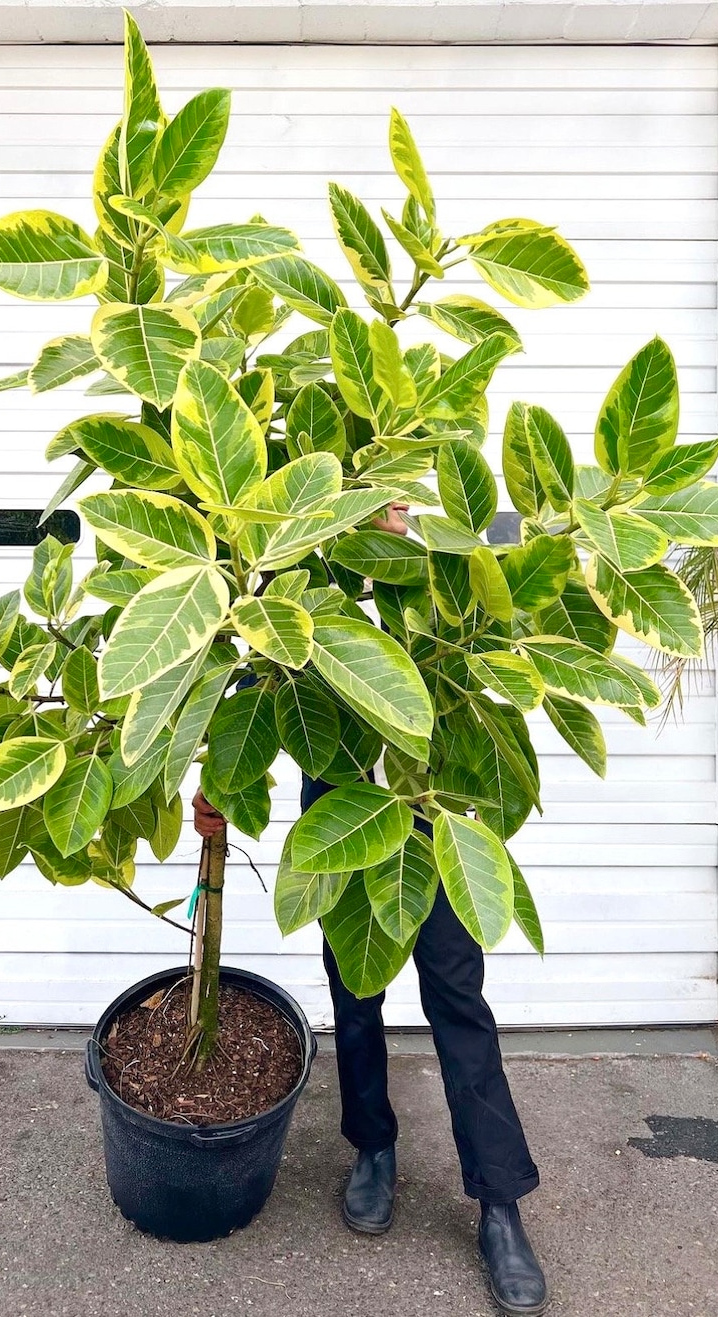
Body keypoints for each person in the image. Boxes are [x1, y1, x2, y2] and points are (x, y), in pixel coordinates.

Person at [192, 504, 549, 1316]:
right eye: (375, 499)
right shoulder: (316, 573)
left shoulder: (450, 572)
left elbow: (498, 664)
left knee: (458, 997)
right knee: (355, 992)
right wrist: (219, 779)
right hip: (346, 811)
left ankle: (500, 1202)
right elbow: (260, 678)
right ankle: (373, 1147)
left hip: (436, 816)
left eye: (399, 500)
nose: (388, 511)